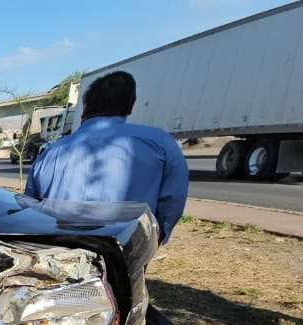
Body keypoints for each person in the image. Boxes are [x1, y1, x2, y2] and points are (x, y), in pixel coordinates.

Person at [26, 71, 189, 243]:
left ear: (85, 107)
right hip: (123, 253)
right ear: (130, 106)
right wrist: (153, 239)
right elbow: (172, 200)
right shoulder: (159, 143)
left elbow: (29, 208)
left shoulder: (51, 152)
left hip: (59, 252)